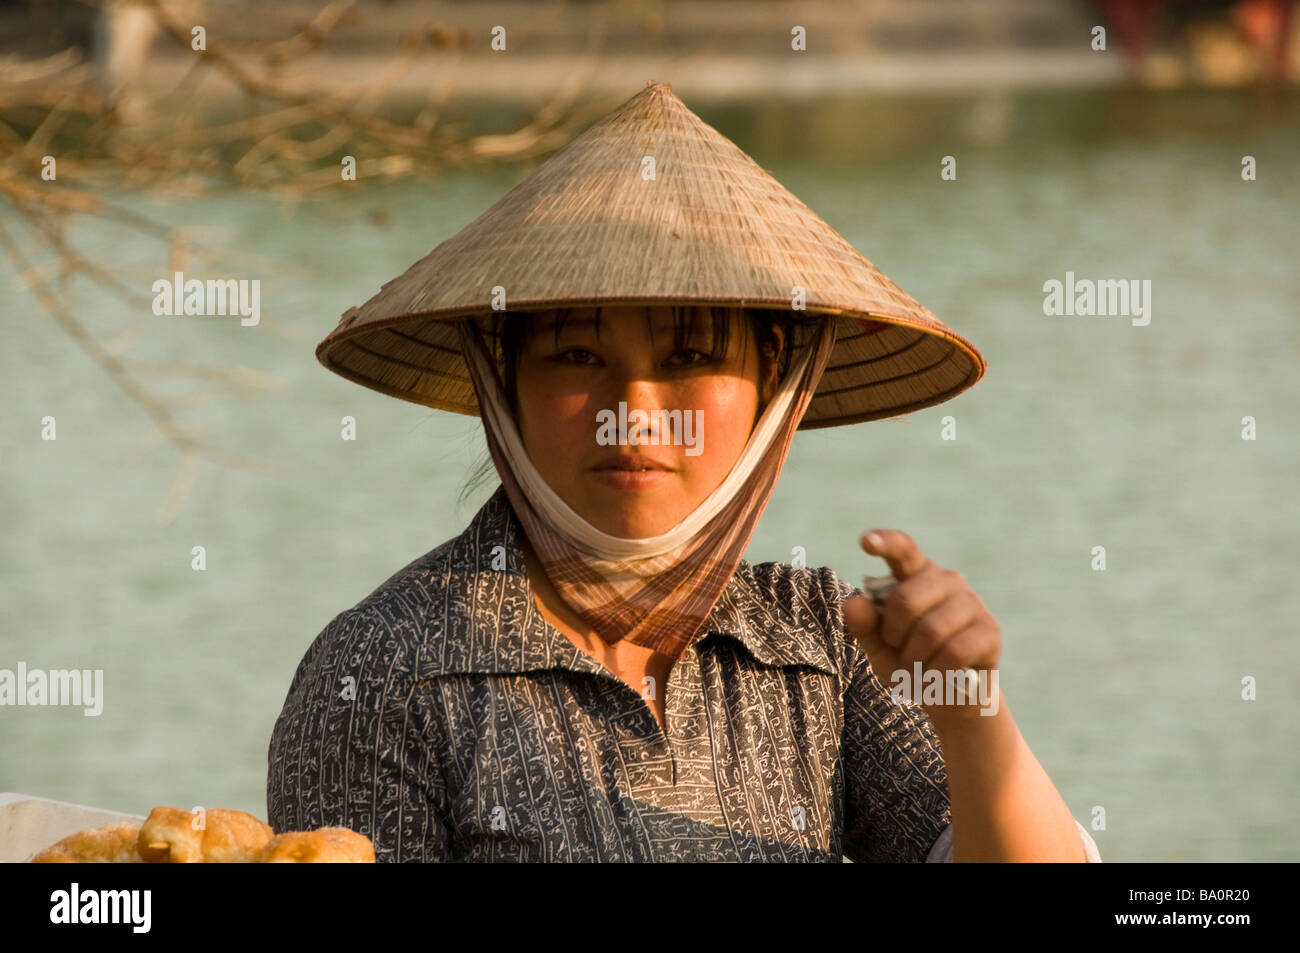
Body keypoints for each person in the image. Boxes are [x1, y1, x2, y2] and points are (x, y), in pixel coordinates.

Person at [267, 82, 1101, 862]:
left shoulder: (820, 640)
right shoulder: (381, 670)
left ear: (774, 386)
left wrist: (969, 716)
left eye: (690, 354)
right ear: (503, 379)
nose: (633, 407)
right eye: (577, 354)